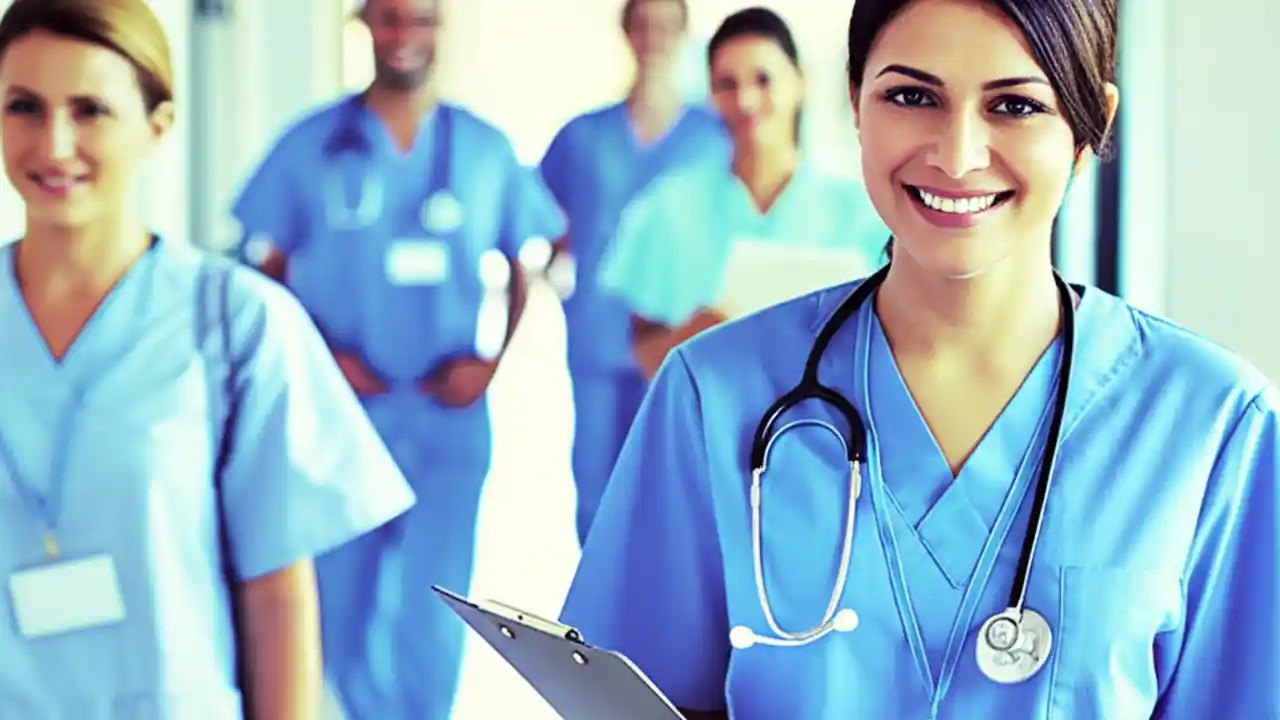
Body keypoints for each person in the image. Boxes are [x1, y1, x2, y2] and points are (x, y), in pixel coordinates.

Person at [560, 0, 1279, 717]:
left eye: (1016, 105)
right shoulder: (712, 397)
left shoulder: (1214, 425)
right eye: (911, 96)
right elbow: (629, 703)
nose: (957, 155)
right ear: (855, 102)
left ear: (1094, 122)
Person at [0, 0, 415, 718]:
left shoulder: (235, 323)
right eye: (24, 107)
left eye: (91, 110)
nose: (55, 144)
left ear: (157, 126)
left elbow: (278, 595)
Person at [230, 0, 565, 717]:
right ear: (363, 24)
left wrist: (492, 363)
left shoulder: (483, 148)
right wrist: (319, 358)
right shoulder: (313, 144)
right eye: (388, 18)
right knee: (336, 611)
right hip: (342, 417)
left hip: (447, 421)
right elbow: (265, 271)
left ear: (440, 28)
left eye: (419, 19)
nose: (404, 36)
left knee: (435, 612)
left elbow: (527, 259)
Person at [597, 7, 890, 382]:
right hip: (707, 413)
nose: (746, 100)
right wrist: (691, 339)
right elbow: (644, 348)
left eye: (763, 80)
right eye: (727, 84)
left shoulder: (864, 211)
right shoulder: (670, 208)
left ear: (801, 81)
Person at [539, 0, 729, 546]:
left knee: (676, 495)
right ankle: (601, 601)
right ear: (626, 31)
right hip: (599, 339)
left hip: (683, 334)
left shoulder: (713, 136)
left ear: (684, 32)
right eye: (643, 25)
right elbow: (547, 224)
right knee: (599, 494)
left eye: (666, 26)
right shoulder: (583, 136)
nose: (653, 38)